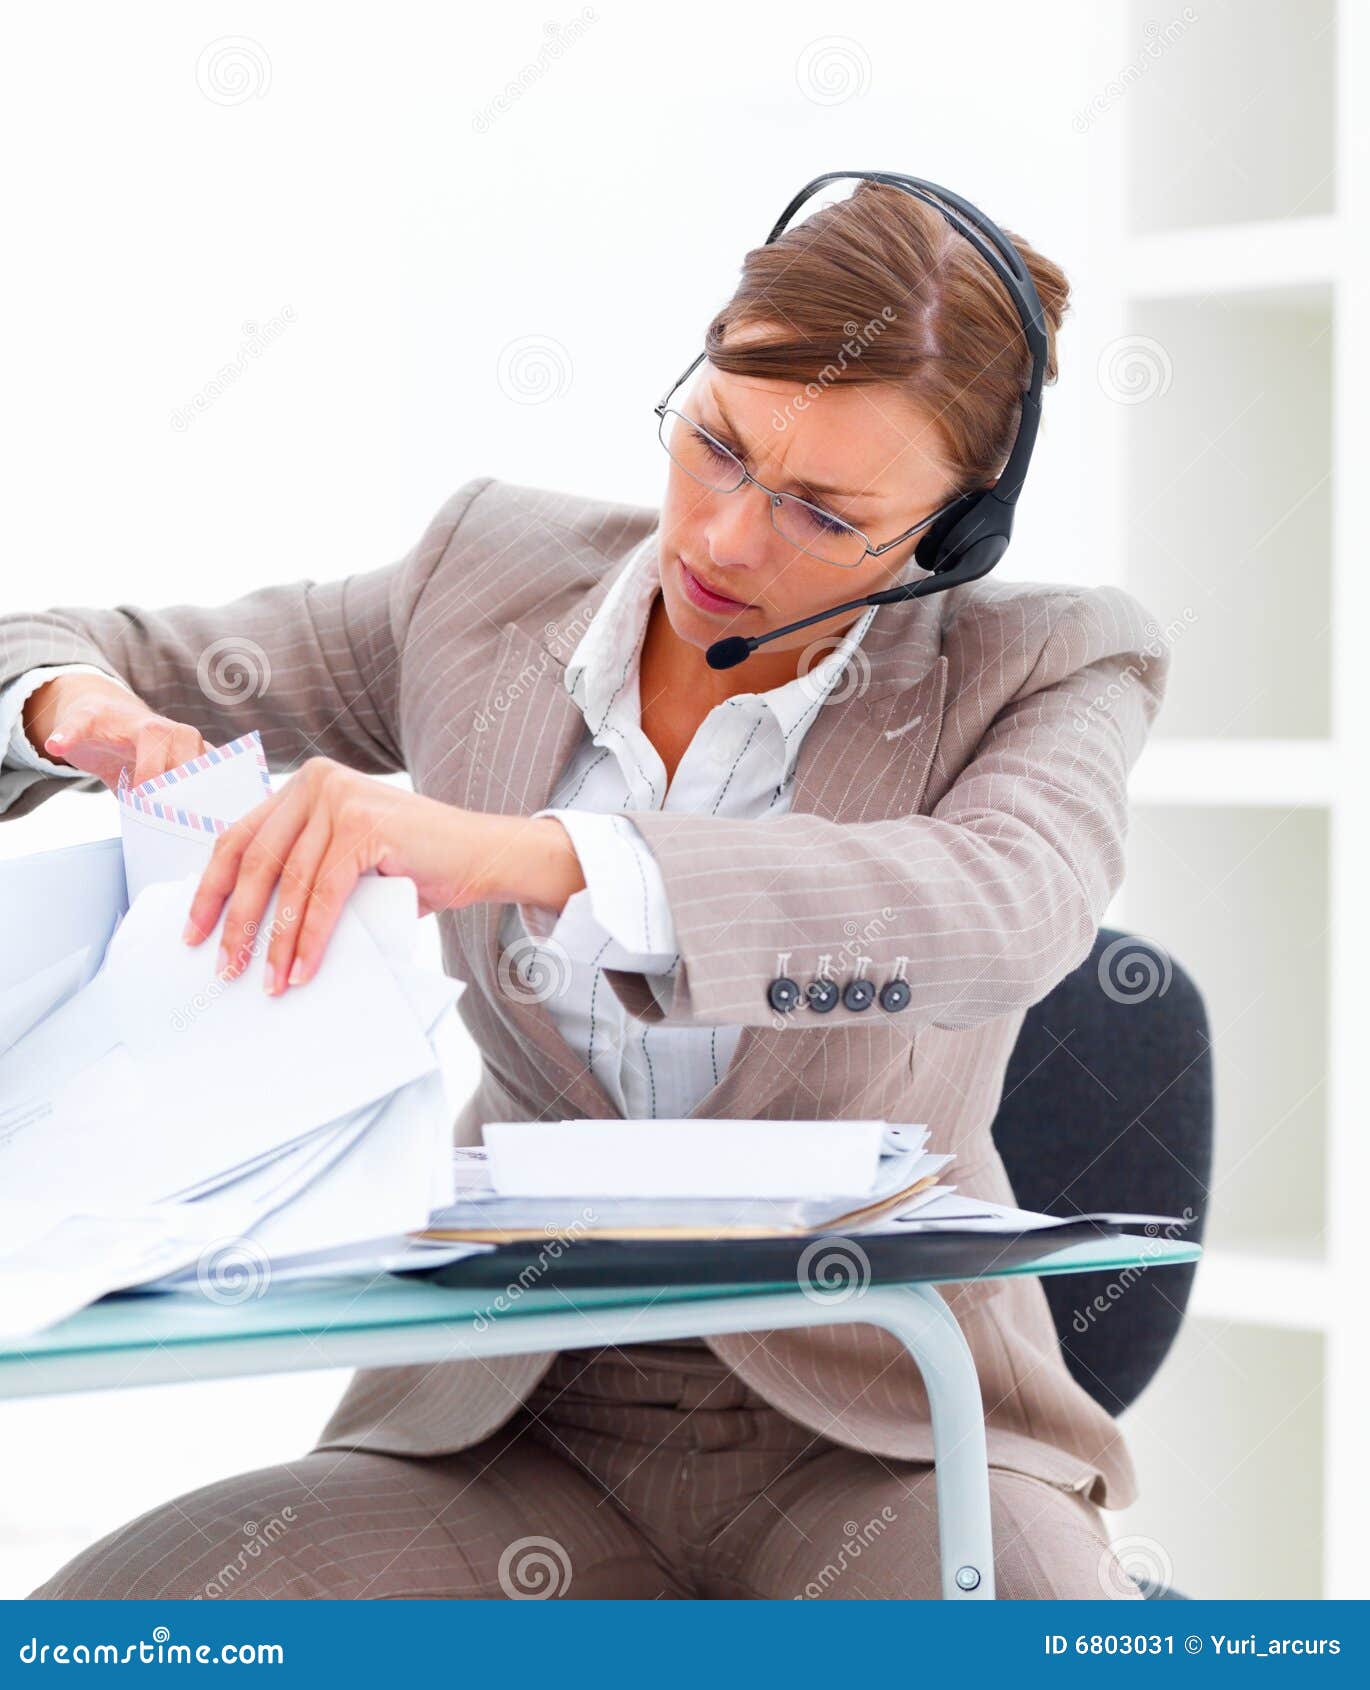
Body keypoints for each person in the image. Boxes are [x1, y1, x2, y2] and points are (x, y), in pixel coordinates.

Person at [2, 181, 1167, 1600]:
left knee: (1034, 1630)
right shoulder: (484, 584)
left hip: (883, 1438)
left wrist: (530, 854)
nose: (729, 538)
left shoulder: (1045, 660)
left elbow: (1002, 906)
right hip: (511, 1428)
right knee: (118, 1622)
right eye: (717, 447)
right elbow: (60, 638)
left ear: (948, 537)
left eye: (817, 509)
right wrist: (72, 709)